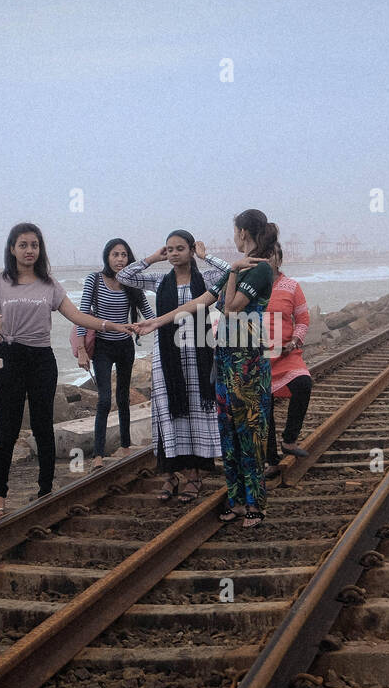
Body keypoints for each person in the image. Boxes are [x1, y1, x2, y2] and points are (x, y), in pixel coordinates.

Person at [137, 210, 276, 528]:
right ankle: (236, 498)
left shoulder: (260, 269)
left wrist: (231, 273)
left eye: (235, 232)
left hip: (249, 360)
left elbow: (230, 306)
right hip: (225, 358)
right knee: (228, 433)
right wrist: (157, 321)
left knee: (250, 433)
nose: (234, 237)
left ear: (242, 232)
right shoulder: (239, 269)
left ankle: (255, 503)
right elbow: (199, 301)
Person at [0, 223, 136, 515]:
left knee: (43, 426)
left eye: (35, 245)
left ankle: (45, 489)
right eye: (23, 245)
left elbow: (77, 315)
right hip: (8, 358)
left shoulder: (49, 284)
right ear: (12, 249)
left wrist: (113, 325)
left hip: (42, 359)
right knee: (8, 428)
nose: (30, 250)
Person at [117, 230, 231, 503]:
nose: (174, 253)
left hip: (198, 352)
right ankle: (171, 475)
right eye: (169, 249)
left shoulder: (206, 278)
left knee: (195, 413)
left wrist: (207, 256)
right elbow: (124, 276)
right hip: (167, 356)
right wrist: (152, 258)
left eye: (180, 248)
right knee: (169, 414)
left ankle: (195, 476)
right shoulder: (160, 280)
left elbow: (231, 273)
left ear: (191, 250)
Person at [74, 239, 155, 468]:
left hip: (125, 346)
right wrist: (81, 350)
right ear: (107, 257)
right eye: (115, 254)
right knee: (104, 400)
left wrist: (152, 325)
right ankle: (98, 455)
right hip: (103, 347)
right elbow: (82, 315)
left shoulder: (132, 283)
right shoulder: (95, 279)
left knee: (122, 397)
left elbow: (147, 312)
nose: (120, 259)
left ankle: (126, 446)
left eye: (124, 255)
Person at [263, 243, 312, 479]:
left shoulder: (292, 286)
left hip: (287, 353)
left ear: (279, 260)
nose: (267, 259)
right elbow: (226, 315)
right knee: (265, 406)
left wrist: (295, 340)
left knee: (303, 384)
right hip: (258, 355)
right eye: (262, 255)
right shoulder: (248, 288)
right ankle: (271, 461)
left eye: (271, 255)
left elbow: (302, 318)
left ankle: (289, 440)